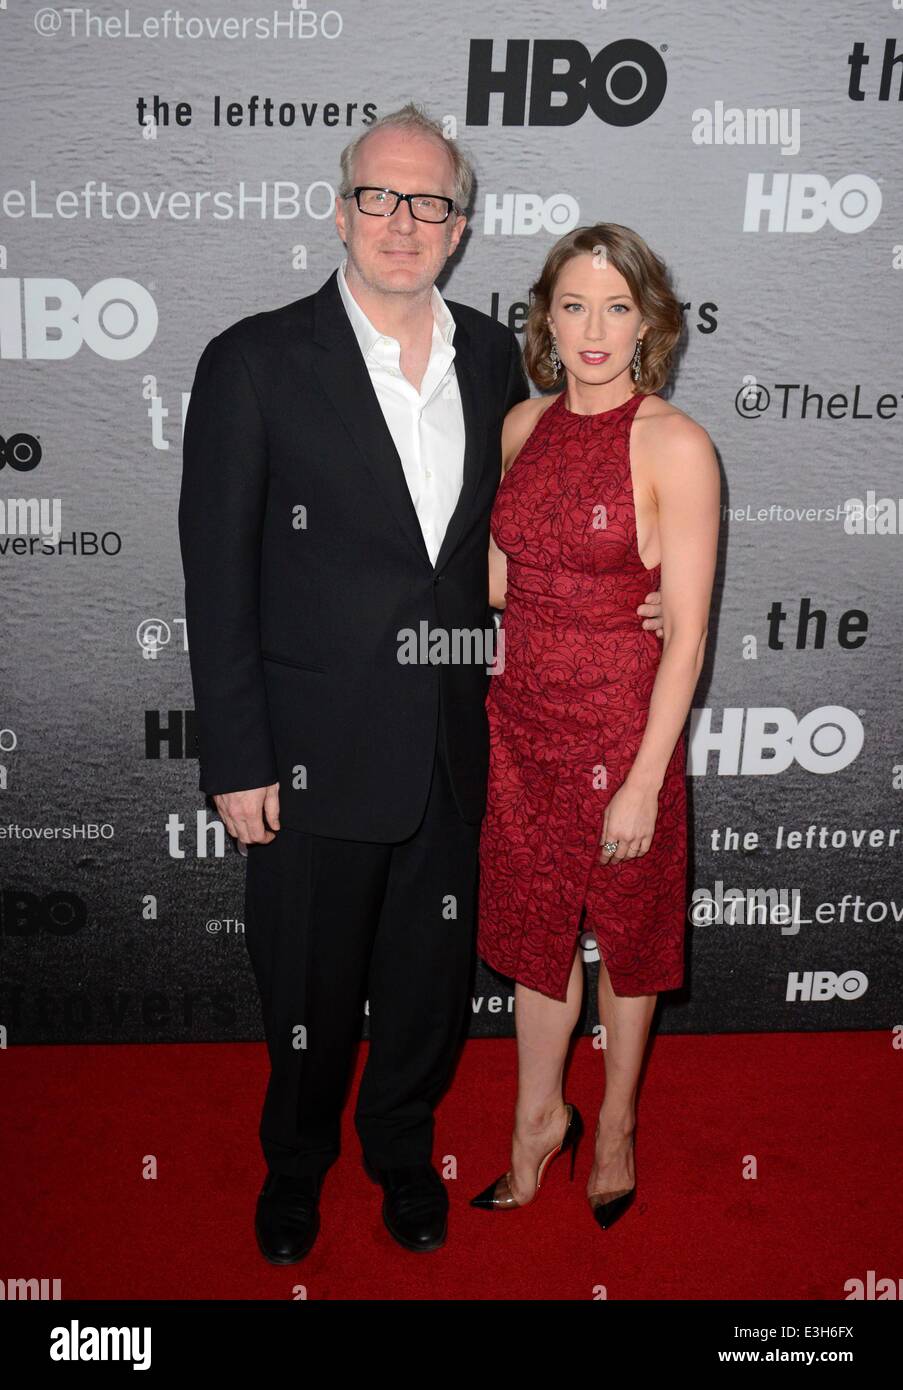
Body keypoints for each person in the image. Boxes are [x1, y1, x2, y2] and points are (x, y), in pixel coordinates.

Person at [178, 107, 666, 1265]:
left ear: (459, 227)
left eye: (430, 203)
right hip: (308, 748)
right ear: (343, 210)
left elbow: (534, 543)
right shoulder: (251, 360)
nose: (405, 223)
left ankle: (402, 1152)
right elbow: (216, 573)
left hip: (459, 744)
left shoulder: (497, 361)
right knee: (302, 985)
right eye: (382, 199)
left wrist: (636, 597)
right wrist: (237, 756)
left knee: (423, 986)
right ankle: (295, 1164)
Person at [472, 224, 720, 1229]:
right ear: (545, 316)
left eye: (618, 307)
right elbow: (500, 580)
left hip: (622, 733)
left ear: (650, 322)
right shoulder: (523, 427)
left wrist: (645, 778)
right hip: (522, 729)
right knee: (536, 936)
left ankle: (613, 1121)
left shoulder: (673, 442)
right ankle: (538, 1120)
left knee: (624, 942)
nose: (594, 329)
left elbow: (690, 634)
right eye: (574, 304)